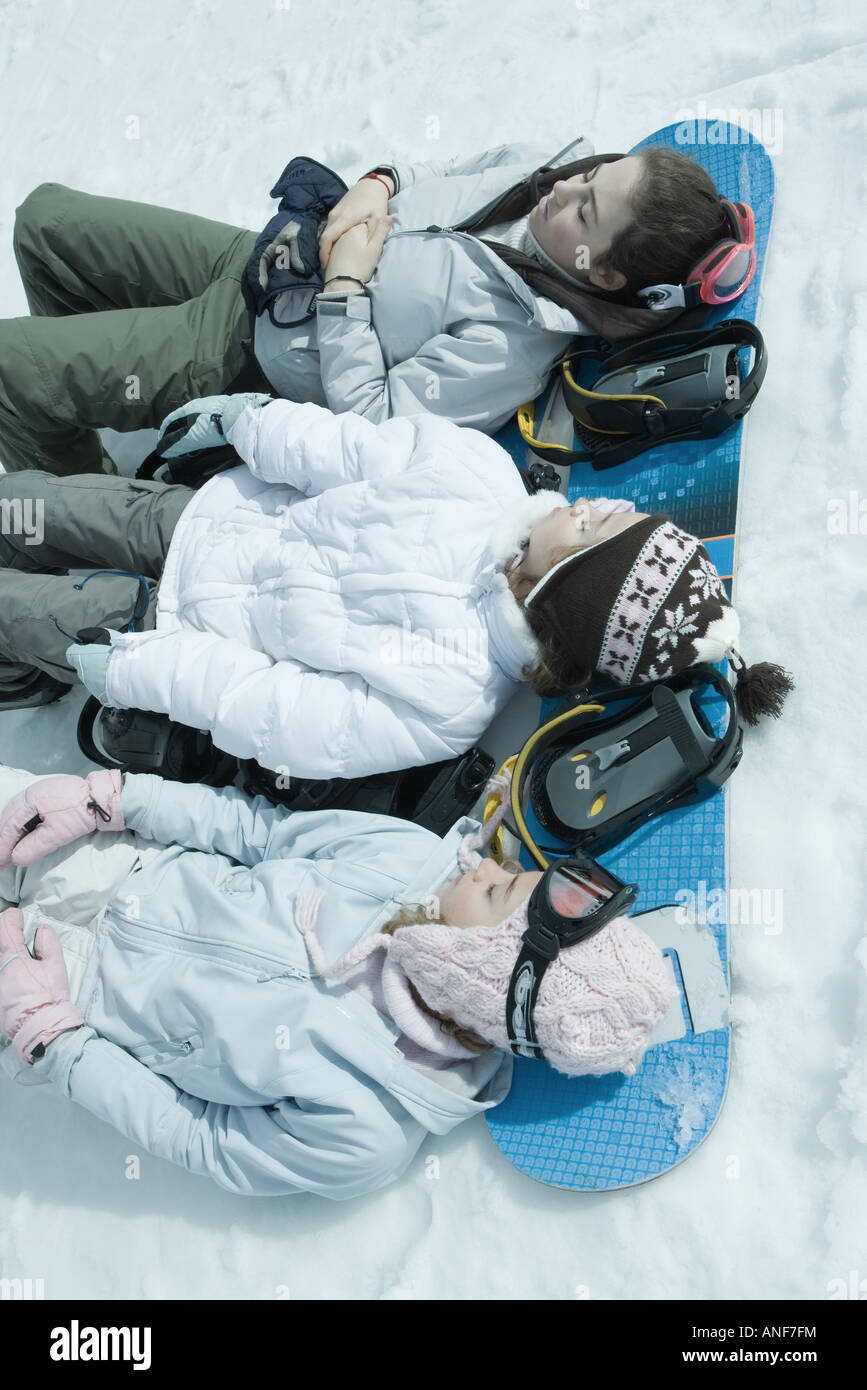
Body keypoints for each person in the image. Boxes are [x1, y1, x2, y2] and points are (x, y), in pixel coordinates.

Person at [0, 763, 675, 1199]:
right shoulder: (406, 859)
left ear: (477, 970)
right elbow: (260, 832)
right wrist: (113, 800)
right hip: (121, 863)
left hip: (77, 1000)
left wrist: (56, 1040)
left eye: (495, 890)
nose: (479, 866)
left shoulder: (366, 1133)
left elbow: (201, 1138)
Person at [0, 396, 790, 747]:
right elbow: (345, 452)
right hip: (202, 518)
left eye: (593, 530)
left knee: (13, 607)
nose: (589, 505)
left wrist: (141, 671)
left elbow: (277, 711)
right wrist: (250, 422)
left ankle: (25, 664)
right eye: (609, 511)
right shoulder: (478, 475)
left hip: (160, 630)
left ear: (563, 591)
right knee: (26, 504)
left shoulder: (449, 698)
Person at [0, 138, 730, 476]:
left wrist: (347, 291)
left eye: (587, 210)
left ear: (600, 274)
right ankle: (70, 405)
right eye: (594, 172)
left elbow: (375, 430)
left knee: (10, 367)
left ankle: (72, 514)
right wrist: (378, 183)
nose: (566, 188)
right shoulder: (548, 172)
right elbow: (442, 167)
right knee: (45, 221)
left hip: (245, 346)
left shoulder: (512, 342)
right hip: (262, 257)